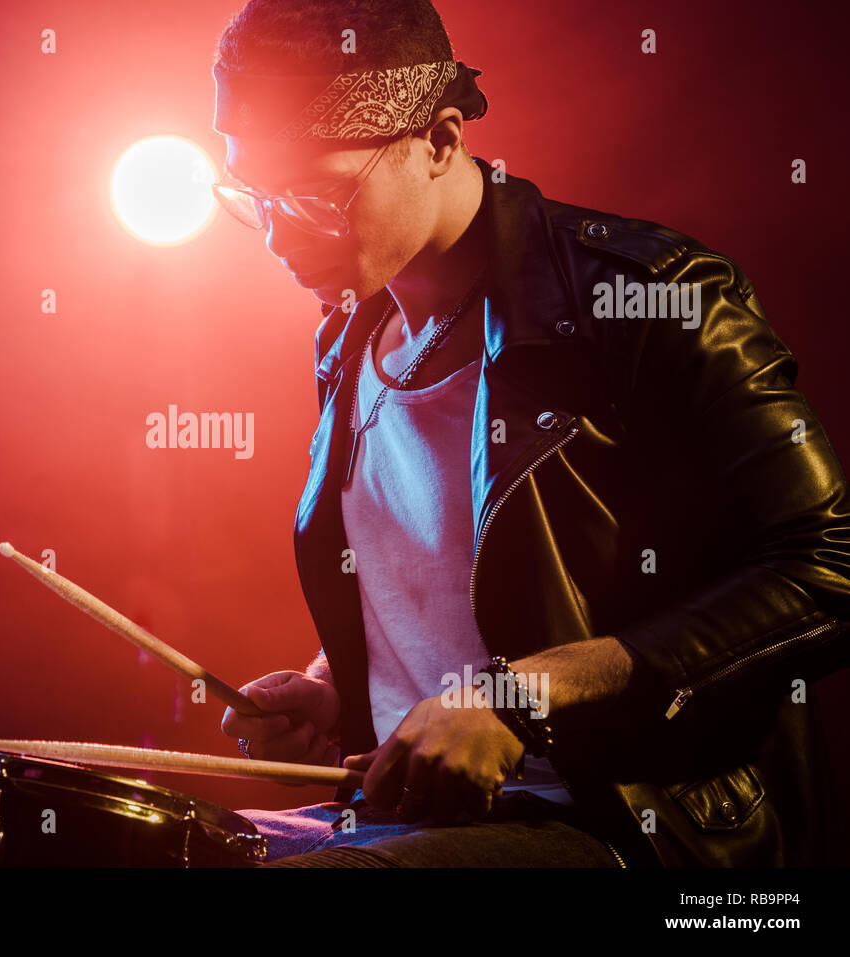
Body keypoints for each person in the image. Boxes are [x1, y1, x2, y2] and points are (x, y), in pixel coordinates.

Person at [209, 0, 850, 867]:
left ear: (439, 140)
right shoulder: (350, 334)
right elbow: (453, 580)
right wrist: (331, 689)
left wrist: (519, 697)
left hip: (628, 819)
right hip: (406, 817)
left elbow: (828, 564)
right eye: (255, 198)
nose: (280, 237)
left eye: (316, 196)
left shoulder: (649, 295)